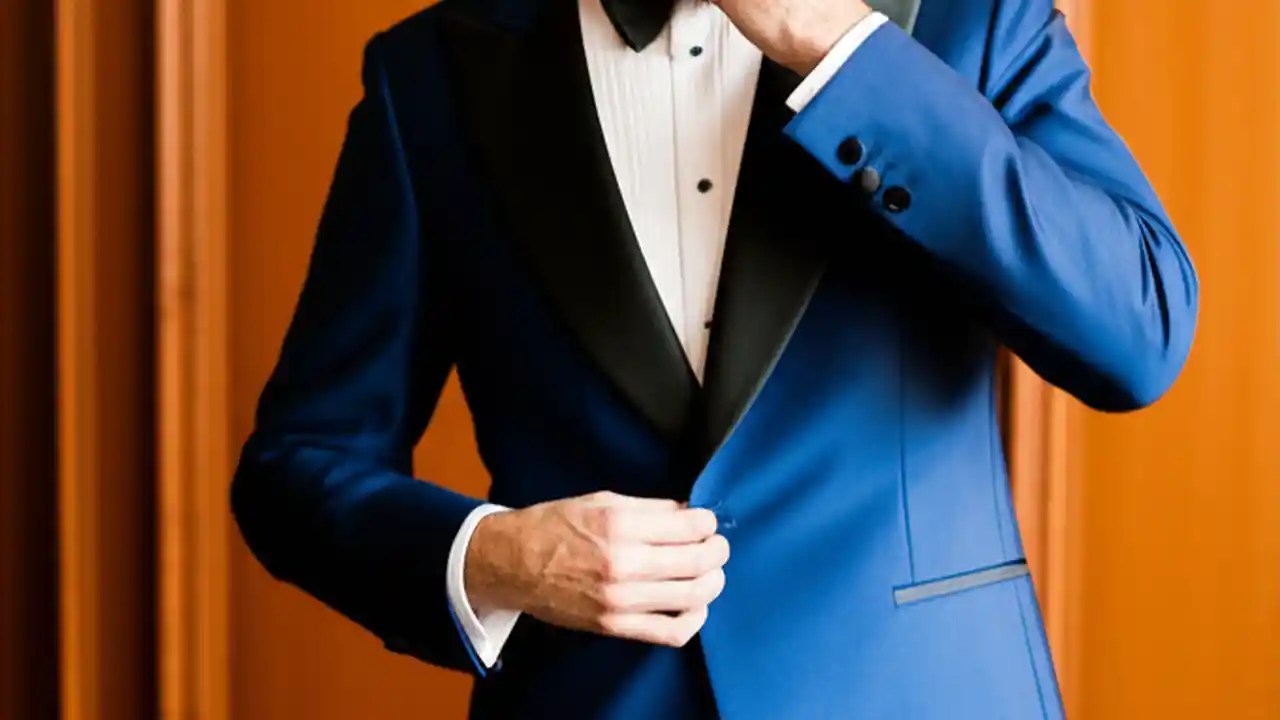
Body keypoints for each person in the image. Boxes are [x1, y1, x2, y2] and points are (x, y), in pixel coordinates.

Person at [231, 0, 1198, 716]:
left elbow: (1138, 332)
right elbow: (297, 466)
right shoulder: (433, 74)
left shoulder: (972, 20)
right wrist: (494, 558)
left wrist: (844, 51)